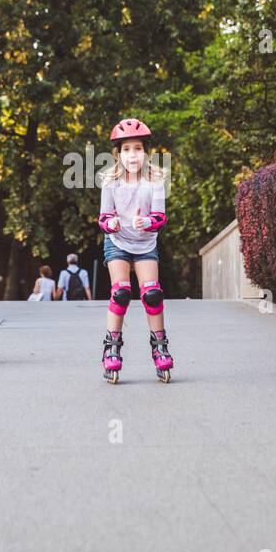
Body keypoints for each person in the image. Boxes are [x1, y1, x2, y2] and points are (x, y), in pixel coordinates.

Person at [96, 117, 173, 381]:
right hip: (117, 243)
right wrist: (113, 223)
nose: (132, 155)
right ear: (118, 153)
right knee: (121, 293)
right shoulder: (110, 181)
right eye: (127, 149)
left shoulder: (155, 181)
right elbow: (103, 218)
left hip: (145, 244)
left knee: (152, 294)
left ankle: (160, 347)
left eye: (138, 148)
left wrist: (148, 222)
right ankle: (111, 350)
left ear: (145, 152)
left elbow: (161, 218)